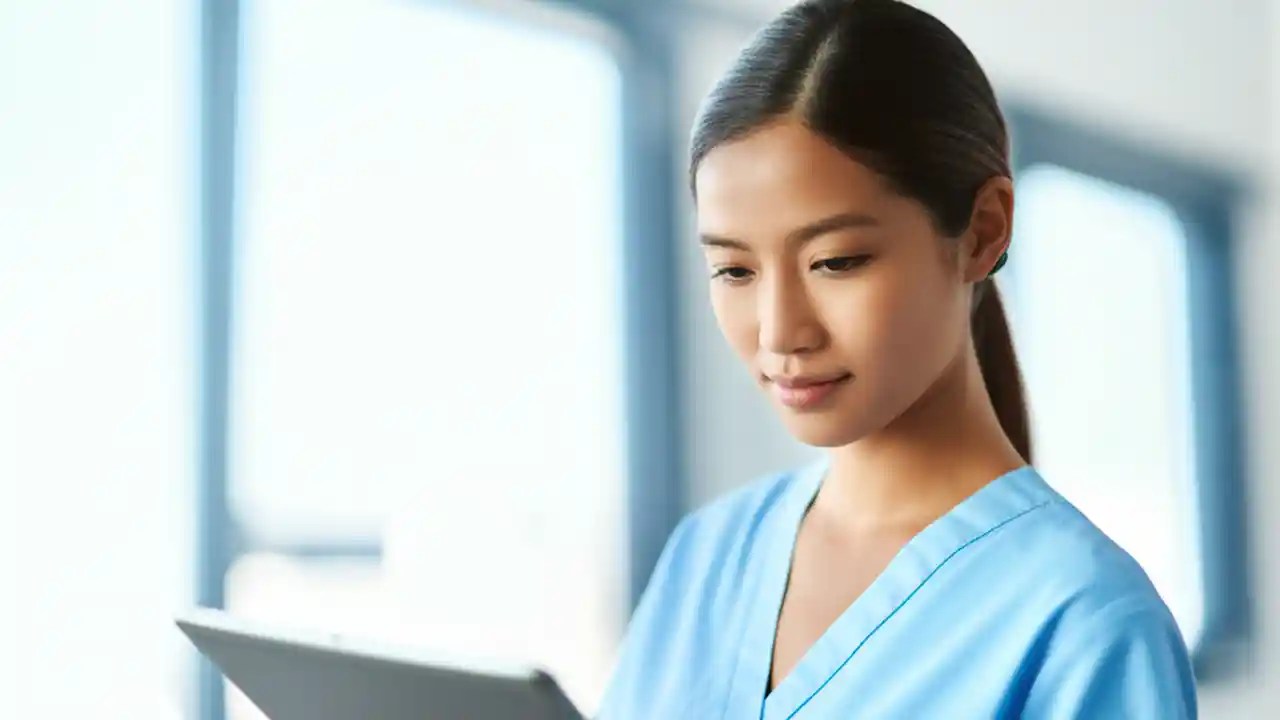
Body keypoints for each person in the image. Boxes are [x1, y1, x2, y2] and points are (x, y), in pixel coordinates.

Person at [596, 0, 1198, 717]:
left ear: (982, 232)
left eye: (836, 261)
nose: (780, 332)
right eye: (734, 270)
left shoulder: (1085, 621)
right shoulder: (705, 557)